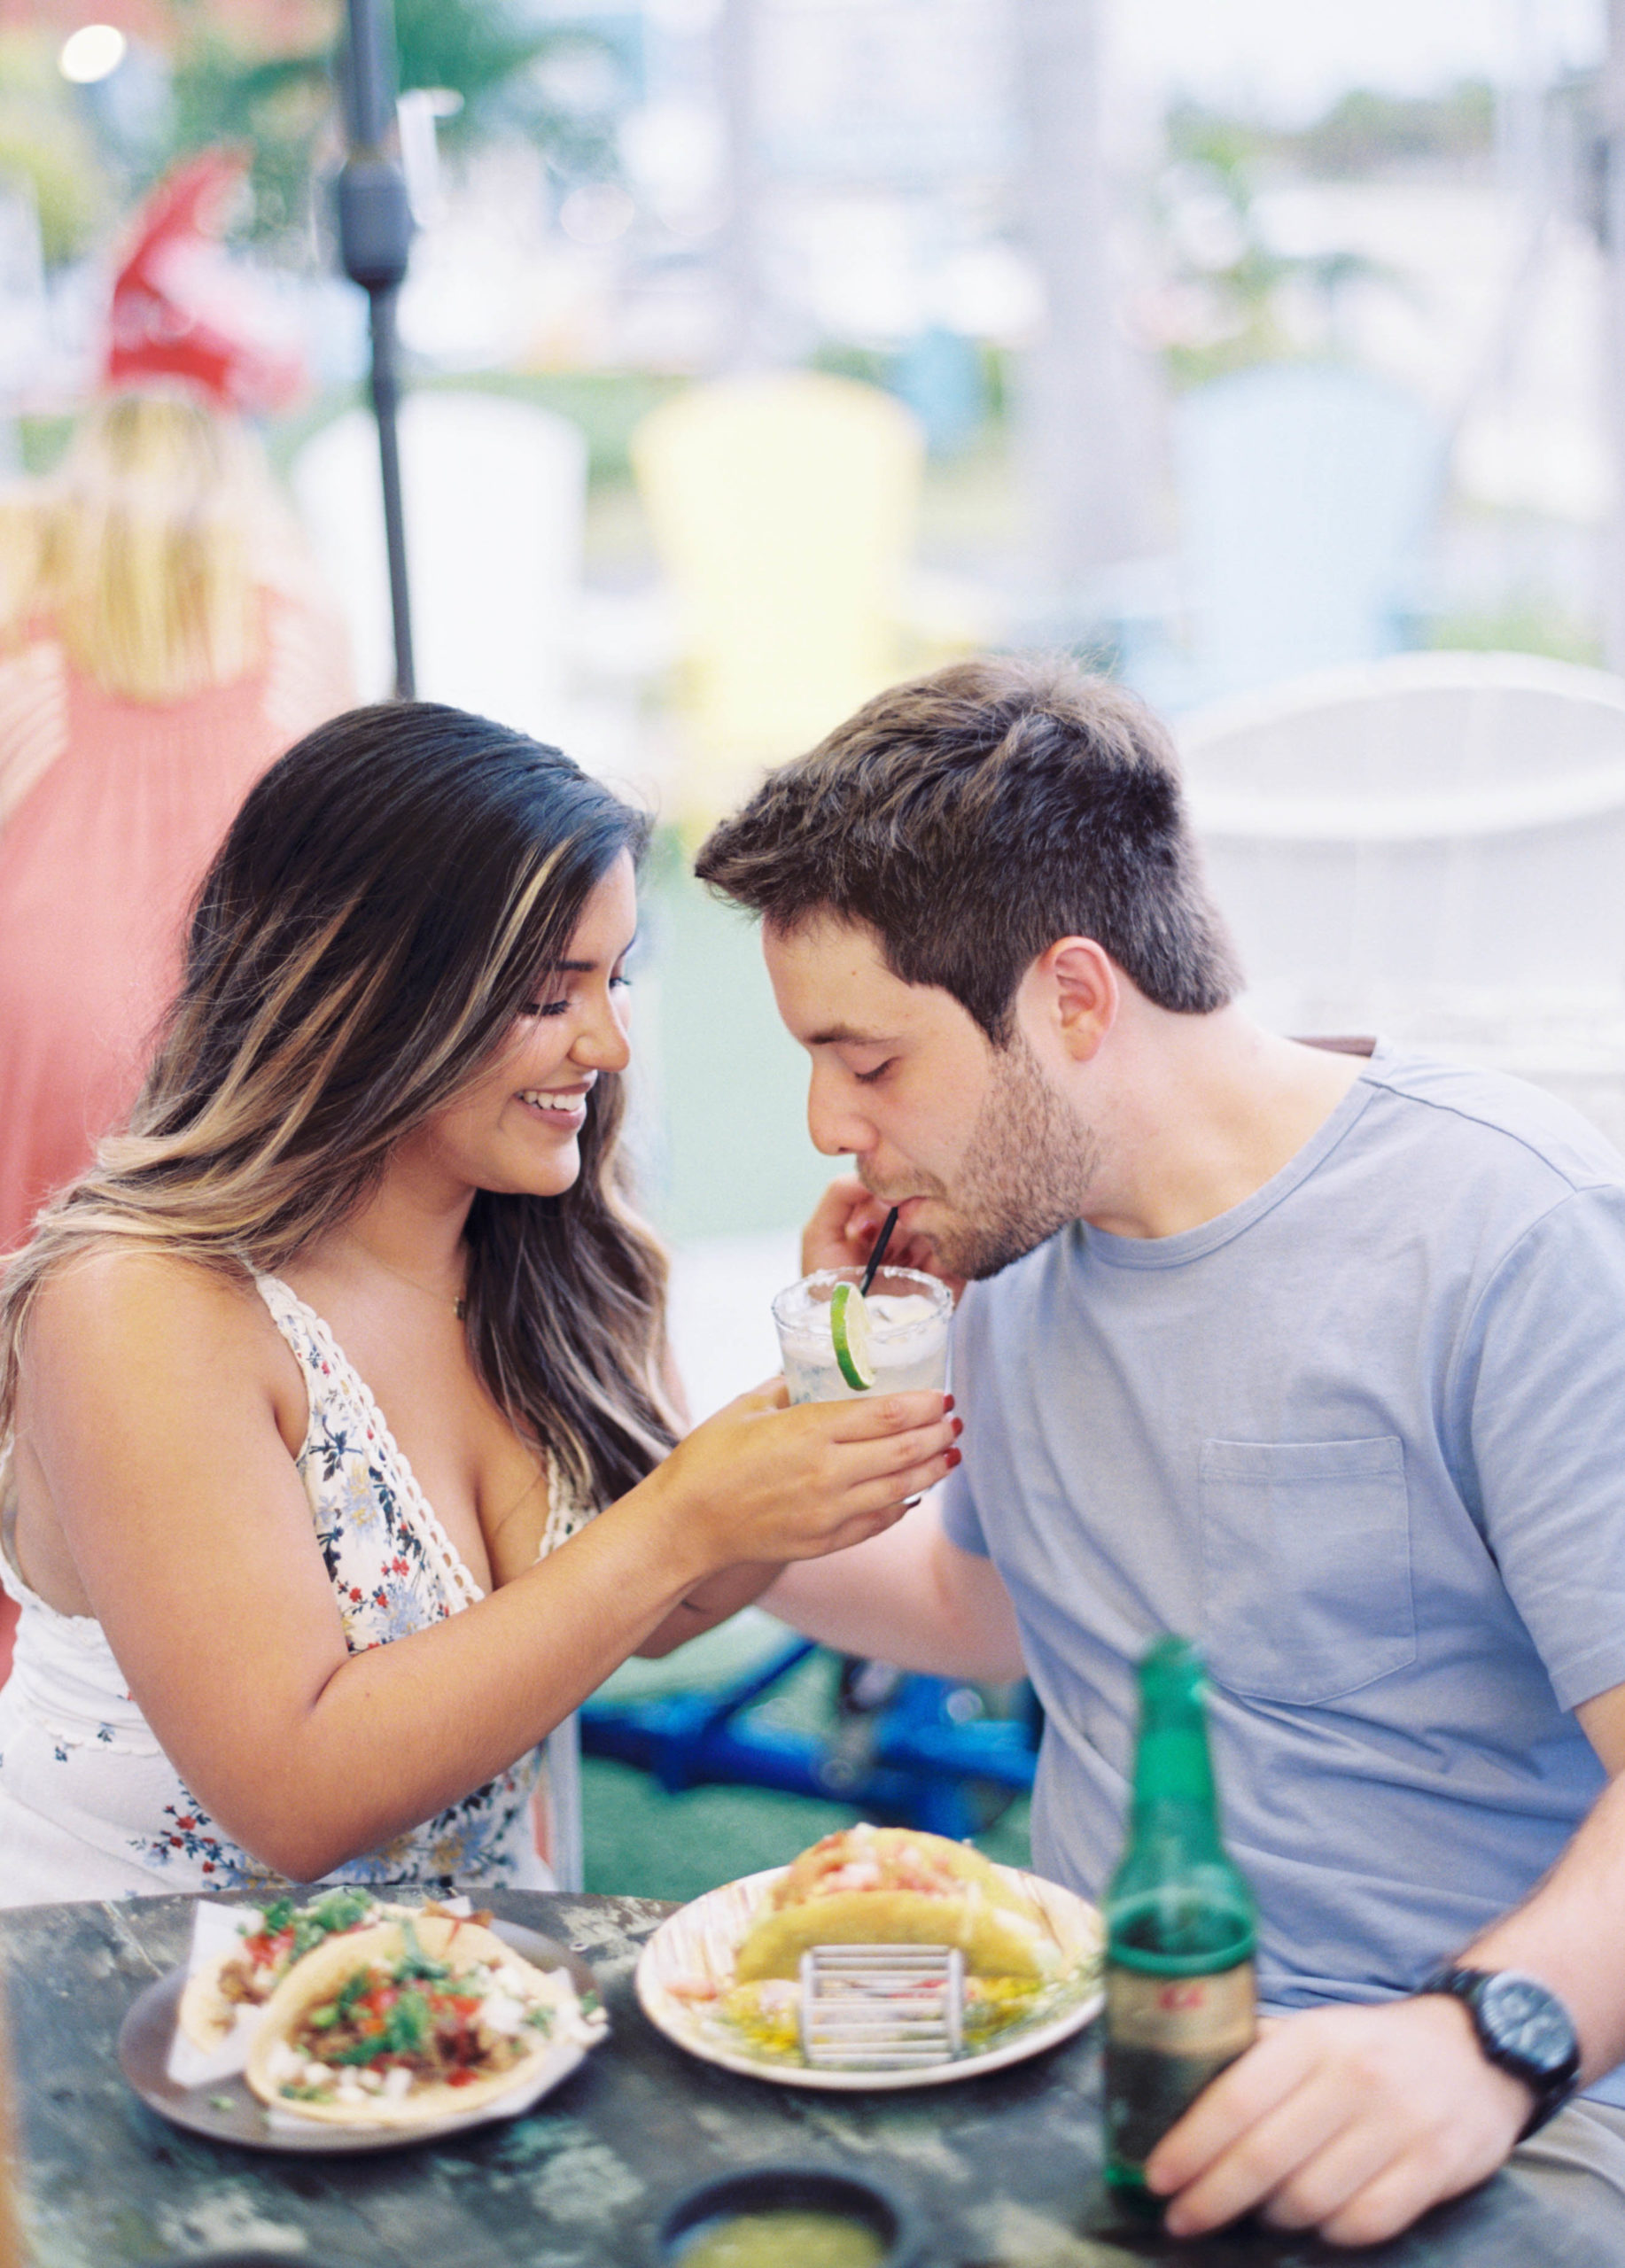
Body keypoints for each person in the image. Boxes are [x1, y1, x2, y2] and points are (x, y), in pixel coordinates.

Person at [693, 653, 1625, 2249]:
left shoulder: (1508, 1230)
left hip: (1471, 2100)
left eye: (868, 1062)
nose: (827, 1127)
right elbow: (988, 1617)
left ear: (1069, 999)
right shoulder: (1002, 1248)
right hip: (1081, 2060)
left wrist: (1484, 2040)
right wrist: (771, 1482)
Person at [0, 701, 957, 1908]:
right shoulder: (140, 1305)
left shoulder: (563, 1251)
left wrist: (826, 1376)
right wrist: (687, 1517)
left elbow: (657, 1604)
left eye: (615, 978)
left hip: (441, 2007)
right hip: (109, 2007)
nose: (609, 1042)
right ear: (360, 994)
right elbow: (293, 1793)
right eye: (546, 992)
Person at [0, 153, 354, 1758]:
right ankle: (276, 1665)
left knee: (53, 1340)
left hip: (49, 975)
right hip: (270, 981)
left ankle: (37, 1703)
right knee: (270, 1315)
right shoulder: (287, 577)